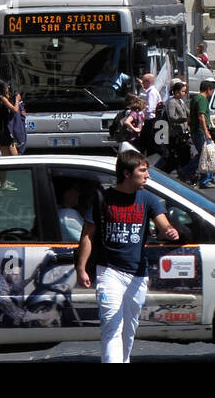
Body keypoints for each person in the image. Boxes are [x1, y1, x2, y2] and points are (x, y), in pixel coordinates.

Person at [75, 151, 180, 364]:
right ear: (126, 174)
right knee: (111, 326)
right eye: (142, 170)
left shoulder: (148, 199)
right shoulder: (103, 198)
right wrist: (81, 267)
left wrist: (170, 231)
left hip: (137, 275)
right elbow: (87, 234)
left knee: (128, 330)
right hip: (108, 272)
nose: (147, 175)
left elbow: (163, 223)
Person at [178, 79, 215, 183]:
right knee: (205, 155)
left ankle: (198, 175)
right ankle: (190, 173)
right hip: (200, 132)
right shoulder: (202, 99)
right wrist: (206, 132)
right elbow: (201, 117)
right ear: (208, 90)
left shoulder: (195, 98)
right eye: (211, 91)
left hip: (196, 131)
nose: (211, 94)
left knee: (203, 155)